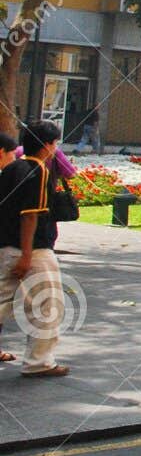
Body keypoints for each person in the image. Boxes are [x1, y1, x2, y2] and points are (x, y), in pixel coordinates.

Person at [0, 121, 70, 377]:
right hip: (33, 250)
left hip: (6, 247)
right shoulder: (39, 169)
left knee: (3, 301)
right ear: (47, 145)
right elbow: (30, 215)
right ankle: (39, 362)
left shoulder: (11, 168)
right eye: (54, 143)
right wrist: (27, 255)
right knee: (48, 307)